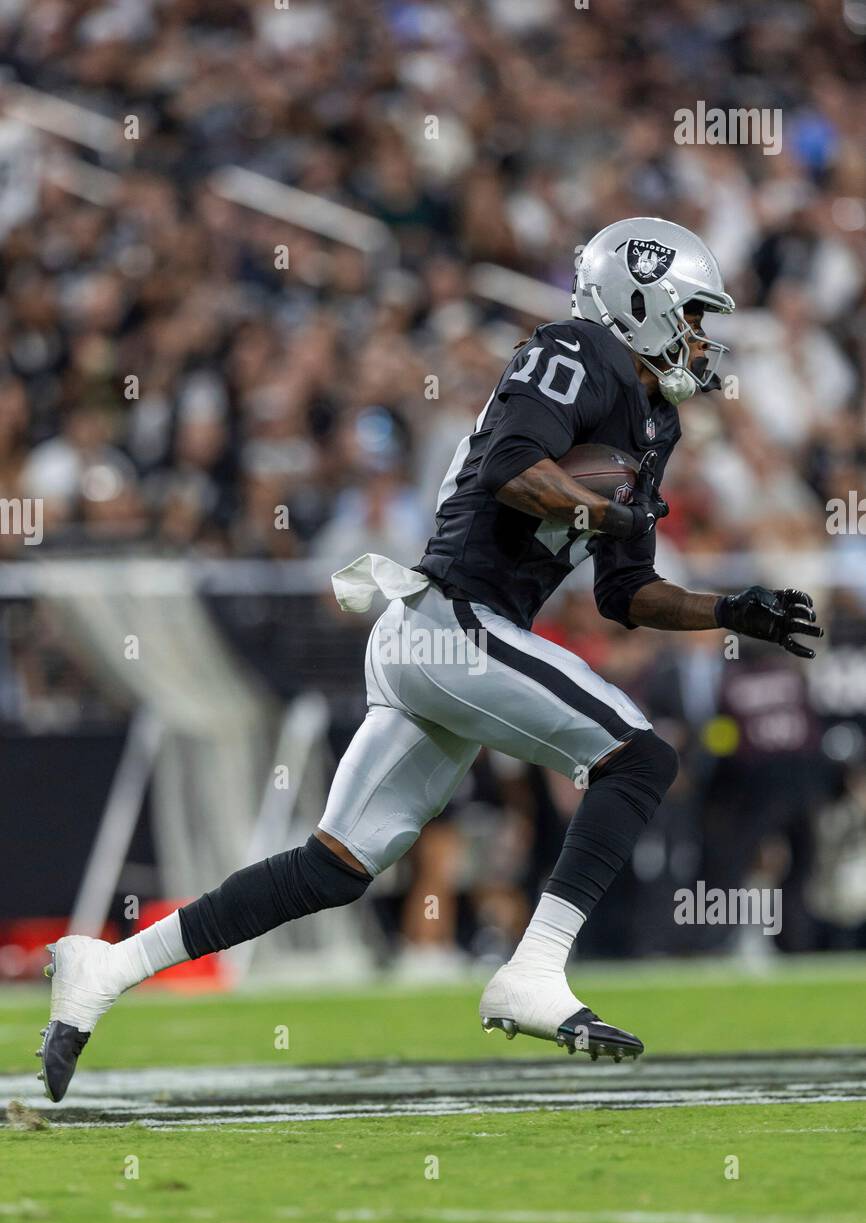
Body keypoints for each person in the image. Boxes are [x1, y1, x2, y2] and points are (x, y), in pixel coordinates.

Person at [38, 218, 823, 1101]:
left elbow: (622, 592)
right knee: (640, 755)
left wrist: (731, 610)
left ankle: (105, 968)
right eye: (690, 315)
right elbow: (513, 469)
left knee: (333, 865)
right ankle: (532, 971)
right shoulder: (578, 350)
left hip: (442, 637)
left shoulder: (653, 418)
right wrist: (608, 514)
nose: (701, 338)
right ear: (639, 299)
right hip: (451, 620)